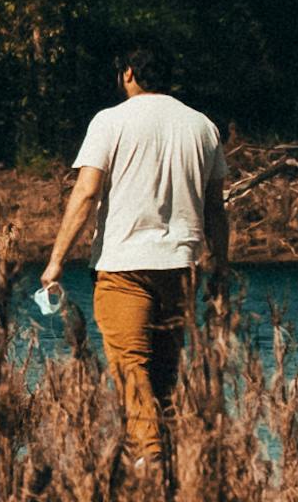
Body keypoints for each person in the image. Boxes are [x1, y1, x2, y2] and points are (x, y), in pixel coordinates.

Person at [38, 56, 228, 473]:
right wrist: (220, 268)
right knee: (163, 372)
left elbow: (87, 193)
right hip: (182, 264)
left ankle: (151, 460)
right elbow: (216, 208)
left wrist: (55, 260)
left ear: (127, 73)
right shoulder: (203, 126)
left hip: (123, 265)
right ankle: (158, 465)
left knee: (130, 367)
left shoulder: (109, 121)